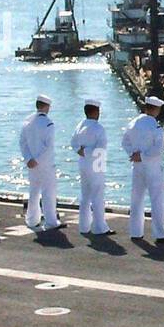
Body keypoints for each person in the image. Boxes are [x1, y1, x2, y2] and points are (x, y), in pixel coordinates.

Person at [122, 96, 164, 243]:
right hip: (152, 166)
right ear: (156, 109)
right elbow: (158, 150)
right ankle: (160, 233)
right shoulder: (155, 126)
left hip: (137, 166)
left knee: (136, 199)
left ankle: (136, 231)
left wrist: (133, 154)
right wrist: (142, 156)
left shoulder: (133, 123)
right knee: (157, 199)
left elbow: (125, 142)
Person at [19, 94, 61, 230]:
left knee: (34, 191)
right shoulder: (48, 123)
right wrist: (37, 160)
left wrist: (29, 159)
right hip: (45, 163)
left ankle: (32, 219)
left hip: (31, 163)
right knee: (49, 192)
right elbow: (48, 147)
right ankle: (51, 221)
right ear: (46, 106)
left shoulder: (27, 122)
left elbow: (23, 143)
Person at [71, 98, 112, 235]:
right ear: (96, 112)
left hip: (83, 163)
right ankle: (100, 227)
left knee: (85, 195)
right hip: (97, 163)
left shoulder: (80, 125)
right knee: (98, 196)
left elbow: (73, 143)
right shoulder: (99, 128)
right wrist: (87, 151)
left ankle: (84, 226)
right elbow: (100, 149)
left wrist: (80, 151)